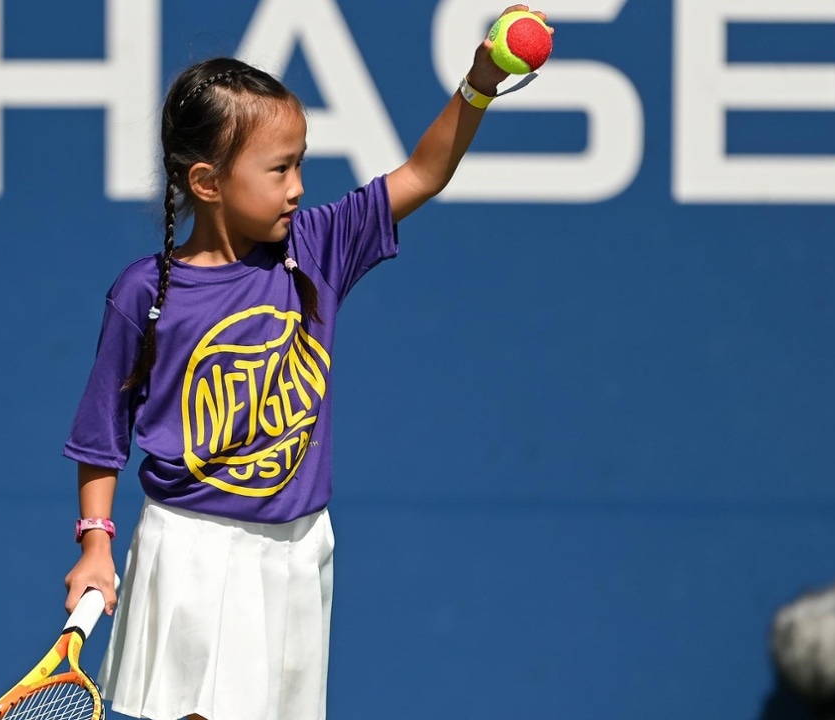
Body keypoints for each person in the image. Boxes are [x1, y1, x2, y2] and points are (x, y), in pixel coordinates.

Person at [62, 6, 552, 719]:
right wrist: (95, 544)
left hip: (297, 552)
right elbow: (99, 437)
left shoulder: (317, 249)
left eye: (301, 164)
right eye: (279, 168)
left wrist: (477, 85)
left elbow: (424, 172)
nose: (297, 186)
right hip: (193, 552)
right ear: (207, 182)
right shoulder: (145, 292)